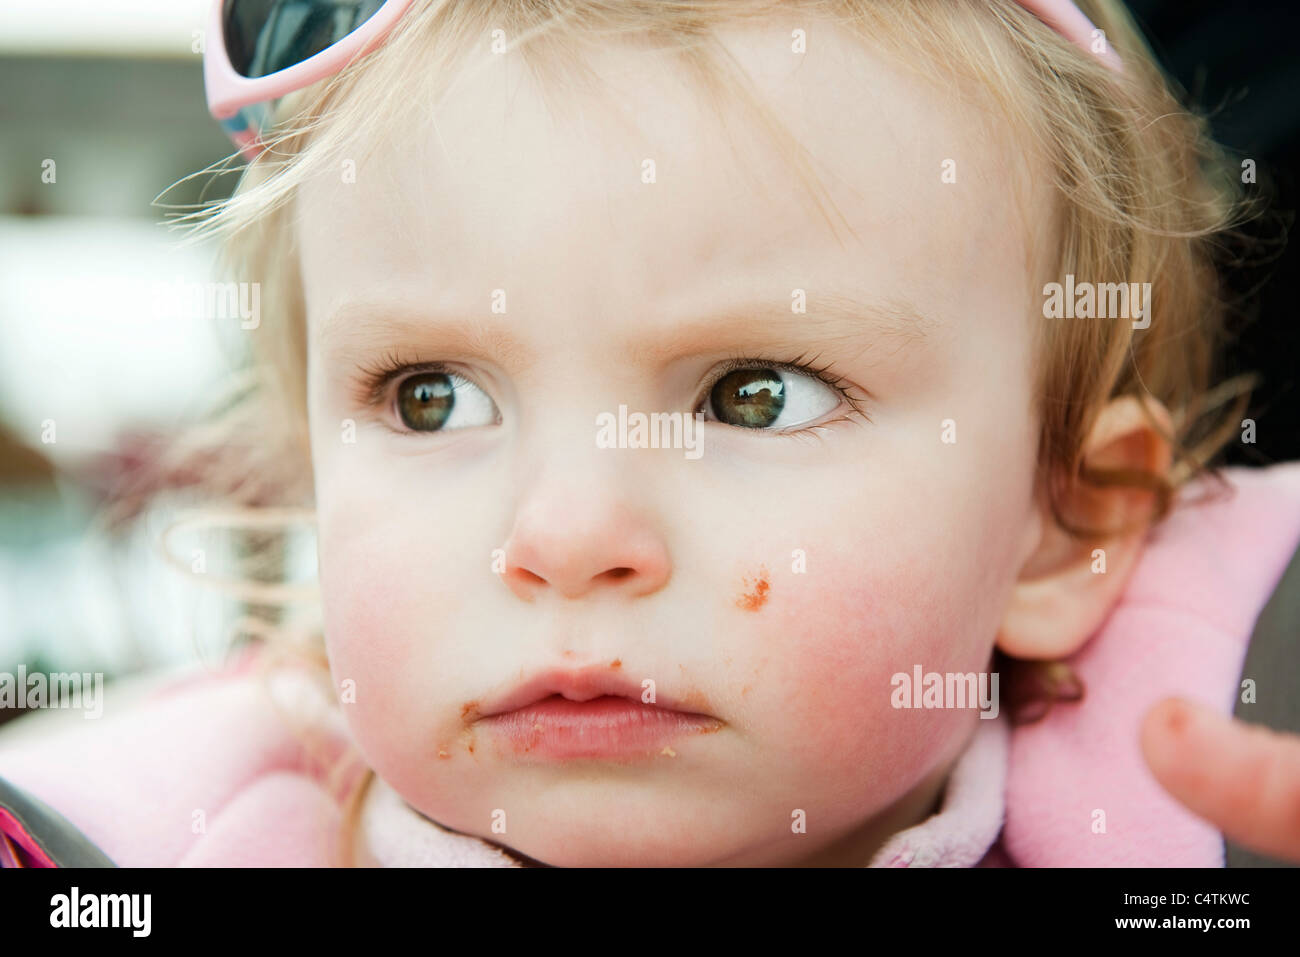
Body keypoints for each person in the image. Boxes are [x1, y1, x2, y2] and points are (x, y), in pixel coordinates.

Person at [2, 0, 1299, 867]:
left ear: (1062, 521)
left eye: (755, 393)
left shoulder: (1199, 825)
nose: (564, 537)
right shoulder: (138, 848)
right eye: (430, 395)